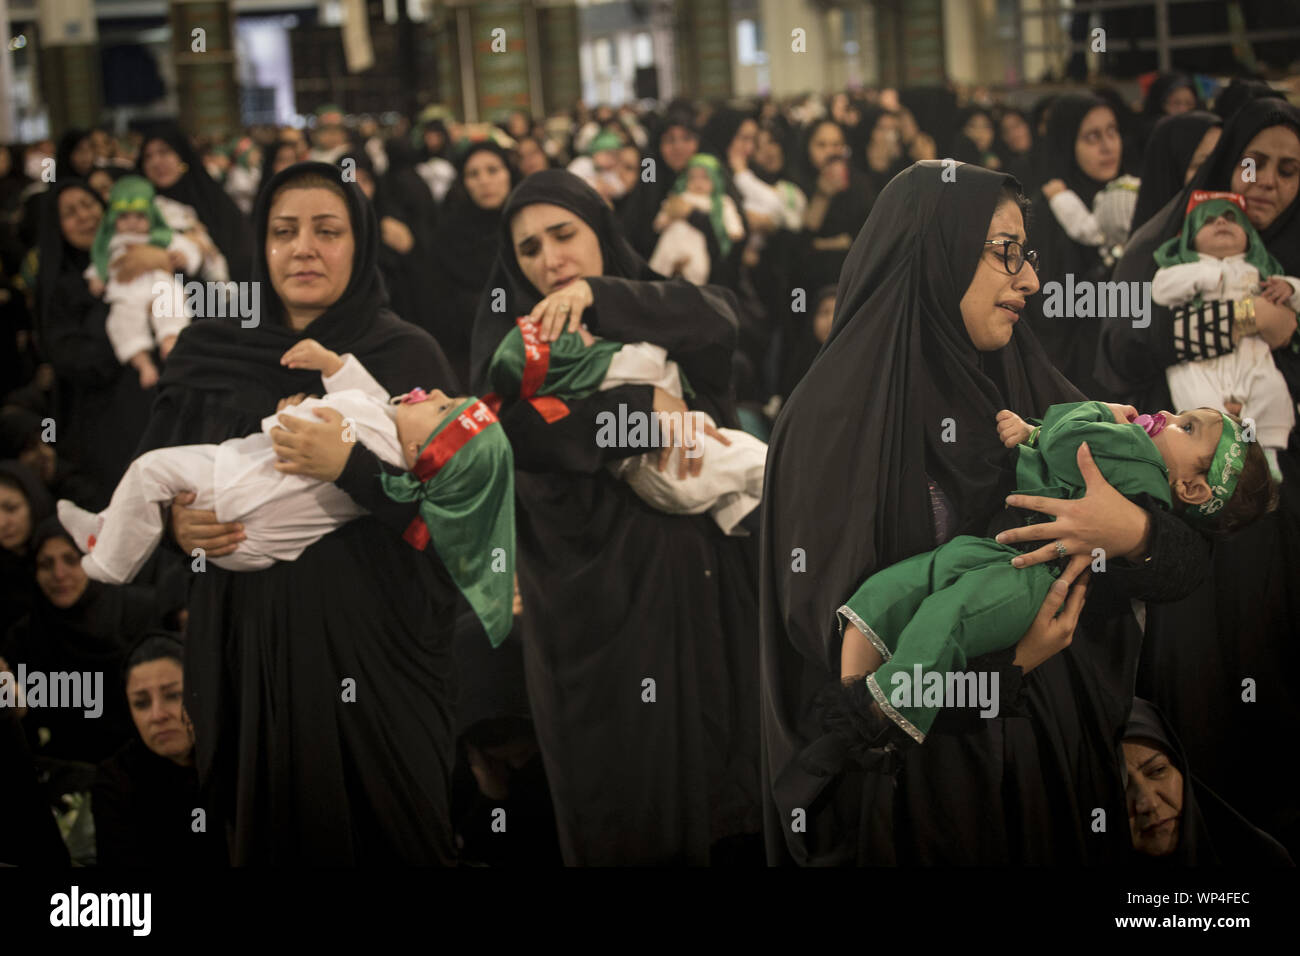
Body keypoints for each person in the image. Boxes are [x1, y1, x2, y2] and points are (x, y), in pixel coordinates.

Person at [759, 161, 1212, 866]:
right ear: (933, 249)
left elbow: (1189, 557)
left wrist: (1129, 534)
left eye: (1027, 255)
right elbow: (844, 681)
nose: (1030, 281)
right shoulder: (835, 422)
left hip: (1046, 765)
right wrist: (1006, 671)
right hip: (926, 795)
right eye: (1006, 252)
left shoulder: (1023, 380)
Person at [134, 162, 462, 864]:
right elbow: (151, 480)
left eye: (327, 231)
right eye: (284, 232)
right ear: (261, 245)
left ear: (360, 243)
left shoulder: (404, 353)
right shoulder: (212, 350)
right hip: (250, 647)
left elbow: (459, 513)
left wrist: (353, 467)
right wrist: (175, 528)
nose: (304, 248)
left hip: (378, 647)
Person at [469, 169, 763, 865]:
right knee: (631, 806)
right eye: (531, 249)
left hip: (706, 596)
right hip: (598, 623)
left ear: (601, 230)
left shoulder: (650, 303)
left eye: (565, 235)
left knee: (728, 794)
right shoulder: (516, 347)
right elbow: (517, 435)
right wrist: (632, 414)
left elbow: (720, 317)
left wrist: (600, 299)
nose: (550, 260)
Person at [1102, 97, 1300, 857]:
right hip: (1186, 518)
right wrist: (1250, 319)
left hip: (1282, 514)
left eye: (1288, 169)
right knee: (1200, 678)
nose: (1267, 184)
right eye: (1251, 164)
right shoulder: (1160, 247)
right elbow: (1127, 343)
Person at [839, 400, 1275, 743]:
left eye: (1187, 427)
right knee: (907, 586)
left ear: (1192, 488)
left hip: (1030, 575)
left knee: (945, 612)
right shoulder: (1137, 452)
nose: (1165, 414)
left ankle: (884, 714)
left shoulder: (1139, 456)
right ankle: (852, 703)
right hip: (1000, 550)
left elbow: (1067, 442)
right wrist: (1033, 432)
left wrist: (1099, 414)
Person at [60, 339, 515, 645]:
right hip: (252, 541)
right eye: (284, 229)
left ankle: (109, 562)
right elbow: (368, 399)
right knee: (156, 481)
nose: (434, 390)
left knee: (149, 469)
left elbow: (311, 428)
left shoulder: (382, 439)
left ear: (420, 451)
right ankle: (107, 529)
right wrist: (334, 367)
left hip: (238, 502)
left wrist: (295, 415)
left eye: (441, 406)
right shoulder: (390, 441)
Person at [485, 315, 764, 534]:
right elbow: (662, 334)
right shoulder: (615, 363)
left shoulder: (567, 393)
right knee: (759, 462)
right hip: (674, 461)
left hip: (652, 481)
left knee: (737, 496)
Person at [2, 517, 165, 765]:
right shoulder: (24, 638)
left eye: (71, 560)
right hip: (64, 773)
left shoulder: (139, 613)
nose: (59, 574)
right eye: (46, 564)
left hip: (147, 765)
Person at [1152, 191, 1299, 465]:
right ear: (1189, 237)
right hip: (1200, 361)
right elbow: (1161, 290)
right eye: (1208, 221)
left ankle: (1265, 459)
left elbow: (1291, 312)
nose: (1221, 223)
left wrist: (1290, 288)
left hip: (1251, 354)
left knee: (1270, 394)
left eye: (1231, 218)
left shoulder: (1259, 271)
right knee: (1202, 403)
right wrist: (1208, 276)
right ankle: (1220, 460)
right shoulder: (1185, 269)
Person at [36, 181, 156, 507]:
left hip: (160, 407)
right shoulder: (59, 289)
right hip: (103, 429)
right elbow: (78, 360)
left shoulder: (137, 253)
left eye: (88, 205)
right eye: (70, 213)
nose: (84, 217)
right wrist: (122, 316)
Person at [1026, 92, 1136, 396]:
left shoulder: (1129, 200)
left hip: (1132, 371)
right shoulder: (1046, 212)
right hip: (1075, 380)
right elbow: (1048, 309)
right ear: (1066, 143)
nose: (1107, 146)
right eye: (1091, 137)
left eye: (1112, 132)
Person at [92, 632, 229, 866]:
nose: (157, 716)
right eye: (141, 703)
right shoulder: (117, 781)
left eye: (174, 695)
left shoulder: (237, 763)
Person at [1123, 697, 1292, 864]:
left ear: (1181, 769)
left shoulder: (1261, 859)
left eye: (1158, 770)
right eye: (1121, 785)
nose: (1149, 803)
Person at [83, 176, 200, 388]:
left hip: (161, 286)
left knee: (172, 302)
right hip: (127, 294)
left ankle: (171, 340)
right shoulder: (112, 244)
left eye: (140, 216)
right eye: (124, 217)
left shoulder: (163, 237)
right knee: (121, 321)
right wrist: (96, 278)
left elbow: (191, 251)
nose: (132, 223)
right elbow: (98, 264)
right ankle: (143, 363)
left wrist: (183, 258)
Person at [426, 139, 519, 388]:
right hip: (469, 362)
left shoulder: (528, 226)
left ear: (509, 173)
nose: (484, 181)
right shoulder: (448, 236)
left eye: (493, 170)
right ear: (463, 182)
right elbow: (436, 307)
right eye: (473, 174)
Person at [135, 124, 252, 282]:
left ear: (182, 156)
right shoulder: (140, 208)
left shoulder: (210, 199)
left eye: (164, 152)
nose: (156, 162)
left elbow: (242, 253)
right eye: (148, 156)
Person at [649, 154, 744, 285]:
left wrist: (732, 230)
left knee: (695, 273)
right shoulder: (679, 197)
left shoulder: (721, 203)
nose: (698, 183)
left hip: (696, 247)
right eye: (693, 178)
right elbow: (660, 222)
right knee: (660, 267)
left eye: (705, 178)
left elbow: (733, 226)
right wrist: (667, 218)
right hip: (672, 241)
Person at [1129, 111, 1221, 235]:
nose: (1218, 174)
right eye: (1202, 166)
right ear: (1172, 173)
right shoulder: (1145, 250)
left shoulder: (1243, 236)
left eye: (1222, 161)